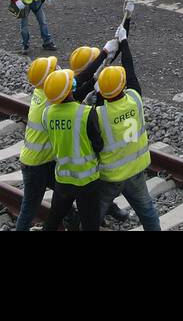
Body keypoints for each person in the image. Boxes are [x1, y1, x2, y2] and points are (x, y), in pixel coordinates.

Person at [88, 19, 160, 231]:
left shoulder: (98, 113)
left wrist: (105, 58)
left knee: (94, 212)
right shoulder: (135, 99)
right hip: (136, 168)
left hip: (111, 174)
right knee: (146, 209)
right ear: (123, 86)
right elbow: (130, 69)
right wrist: (124, 41)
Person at [41, 68, 105, 232]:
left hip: (63, 179)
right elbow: (98, 145)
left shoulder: (47, 114)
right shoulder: (86, 113)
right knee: (90, 225)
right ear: (69, 90)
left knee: (53, 221)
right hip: (87, 181)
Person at [13, 55, 58, 231]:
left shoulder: (40, 92)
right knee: (29, 208)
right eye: (54, 70)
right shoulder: (49, 101)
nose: (58, 69)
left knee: (65, 194)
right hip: (35, 166)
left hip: (43, 162)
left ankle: (71, 220)